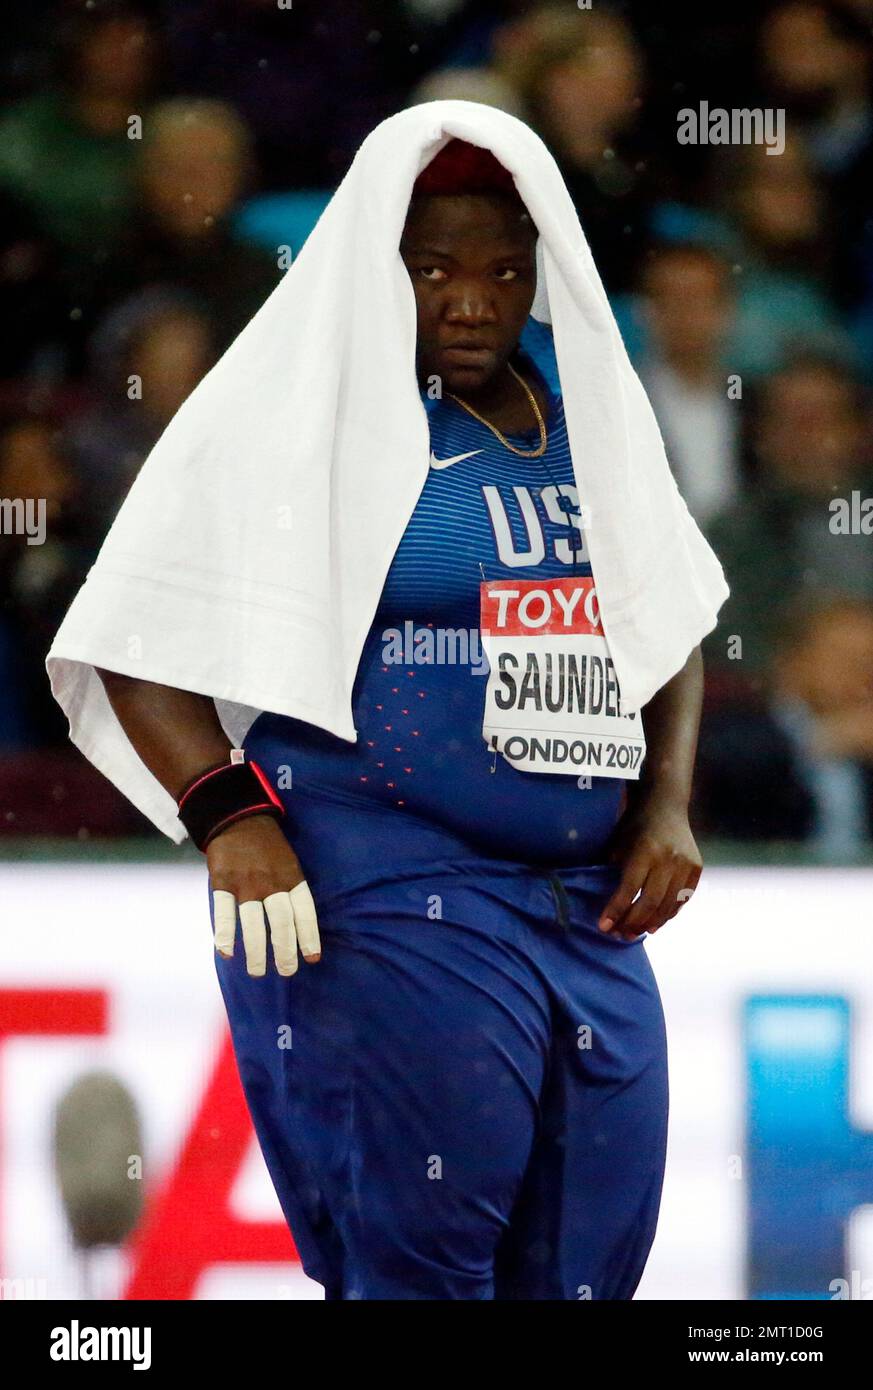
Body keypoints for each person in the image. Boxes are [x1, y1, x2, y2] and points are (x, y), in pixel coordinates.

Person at [48, 104, 728, 1300]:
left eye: (505, 270)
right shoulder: (291, 406)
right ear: (375, 267)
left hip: (587, 907)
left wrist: (667, 799)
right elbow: (132, 627)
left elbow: (666, 617)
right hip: (389, 883)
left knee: (587, 1277)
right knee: (421, 1277)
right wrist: (230, 814)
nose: (472, 299)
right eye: (434, 270)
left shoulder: (592, 420)